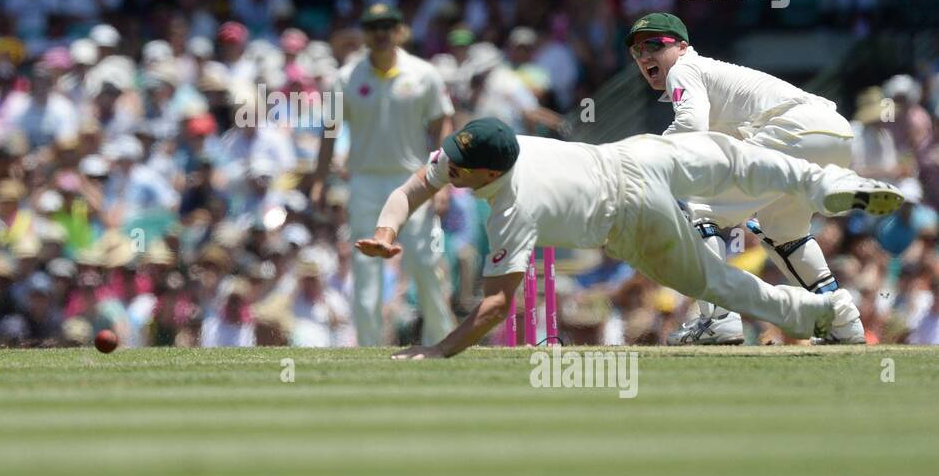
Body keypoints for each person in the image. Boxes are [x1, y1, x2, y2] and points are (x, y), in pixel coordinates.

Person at [356, 118, 903, 359]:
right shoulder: (478, 155)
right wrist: (385, 232)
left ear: (485, 174)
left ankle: (828, 315)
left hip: (630, 218)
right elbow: (409, 190)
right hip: (632, 154)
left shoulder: (511, 209)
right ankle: (829, 182)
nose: (445, 167)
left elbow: (498, 305)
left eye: (457, 166)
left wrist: (437, 349)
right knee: (739, 158)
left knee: (722, 287)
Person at [626, 13, 856, 345]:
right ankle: (843, 323)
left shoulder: (684, 70)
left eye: (653, 45)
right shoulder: (709, 79)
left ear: (682, 47)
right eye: (637, 51)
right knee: (783, 232)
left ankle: (718, 317)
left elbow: (691, 128)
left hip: (793, 130)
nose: (645, 55)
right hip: (834, 133)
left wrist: (640, 155)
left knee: (695, 207)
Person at [312, 3, 456, 346]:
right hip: (364, 181)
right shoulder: (345, 78)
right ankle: (369, 350)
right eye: (373, 26)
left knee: (425, 261)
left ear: (399, 31)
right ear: (365, 32)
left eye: (387, 26)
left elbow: (441, 124)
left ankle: (443, 343)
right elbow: (330, 130)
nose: (380, 33)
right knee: (366, 268)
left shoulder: (424, 74)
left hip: (414, 179)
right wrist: (319, 179)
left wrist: (442, 182)